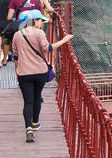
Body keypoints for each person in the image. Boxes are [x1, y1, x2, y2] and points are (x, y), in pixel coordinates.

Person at [12, 11, 73, 142]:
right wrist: (64, 40)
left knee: (28, 101)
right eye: (41, 21)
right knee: (37, 97)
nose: (42, 24)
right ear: (34, 20)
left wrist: (16, 71)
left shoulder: (17, 35)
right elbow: (48, 48)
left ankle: (28, 128)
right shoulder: (39, 33)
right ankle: (35, 123)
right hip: (40, 72)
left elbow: (15, 57)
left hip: (24, 73)